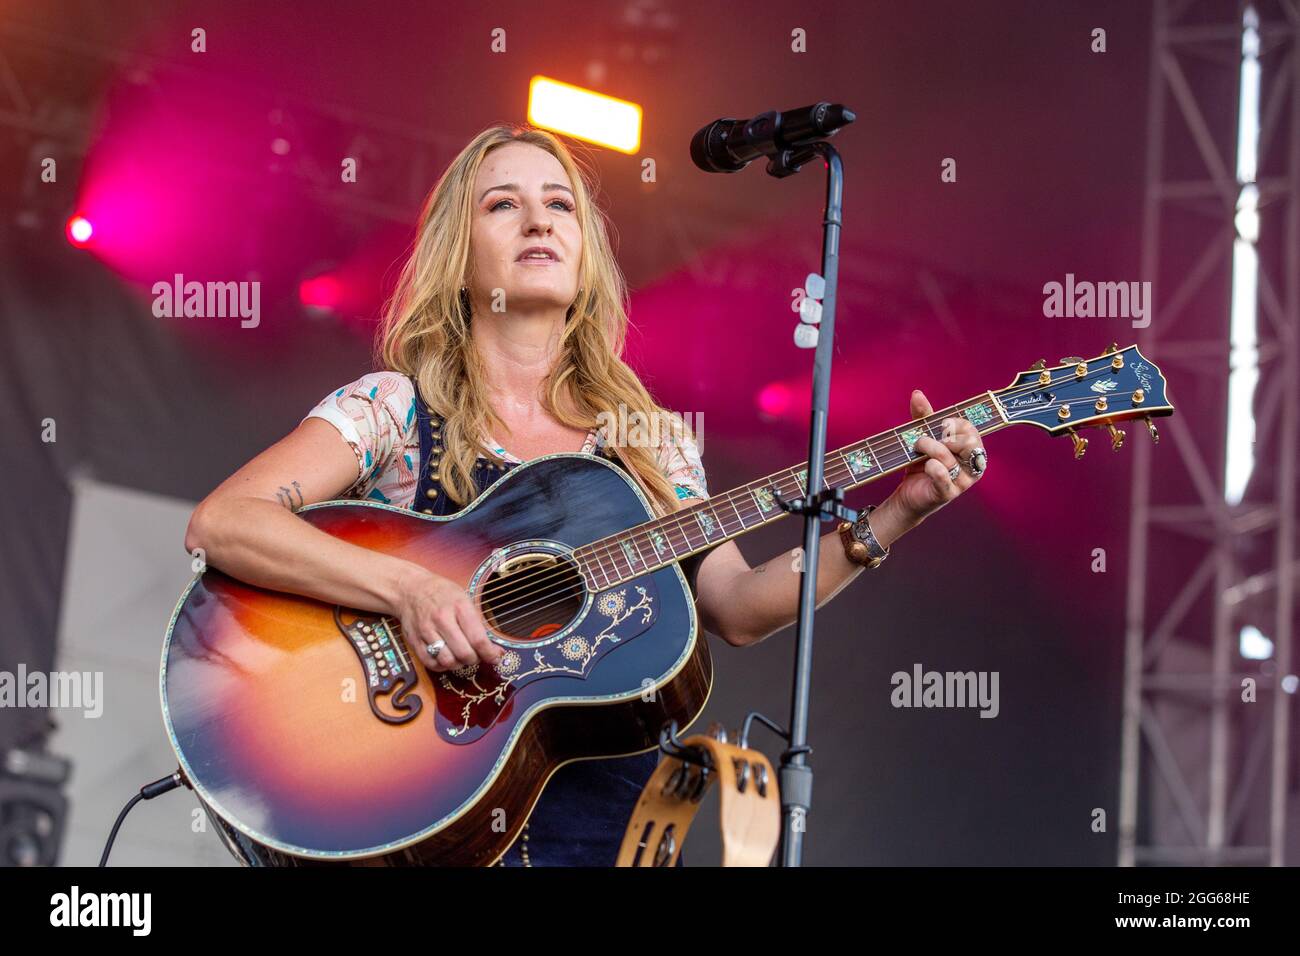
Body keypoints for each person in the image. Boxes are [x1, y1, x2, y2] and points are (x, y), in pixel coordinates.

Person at [183, 124, 988, 866]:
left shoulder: (648, 439)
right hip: (416, 804)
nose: (539, 222)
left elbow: (739, 605)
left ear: (585, 252)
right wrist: (411, 587)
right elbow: (226, 523)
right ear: (457, 257)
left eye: (559, 204)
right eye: (504, 205)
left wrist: (896, 512)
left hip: (596, 834)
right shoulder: (393, 408)